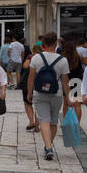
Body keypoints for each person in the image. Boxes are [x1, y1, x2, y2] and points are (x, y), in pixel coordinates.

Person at [28, 32, 70, 161]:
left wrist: (29, 93)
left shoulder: (36, 58)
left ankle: (48, 147)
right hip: (56, 93)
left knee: (44, 120)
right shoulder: (63, 60)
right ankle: (49, 146)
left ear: (43, 44)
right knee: (53, 121)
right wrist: (69, 97)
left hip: (39, 93)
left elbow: (31, 78)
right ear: (56, 43)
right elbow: (65, 81)